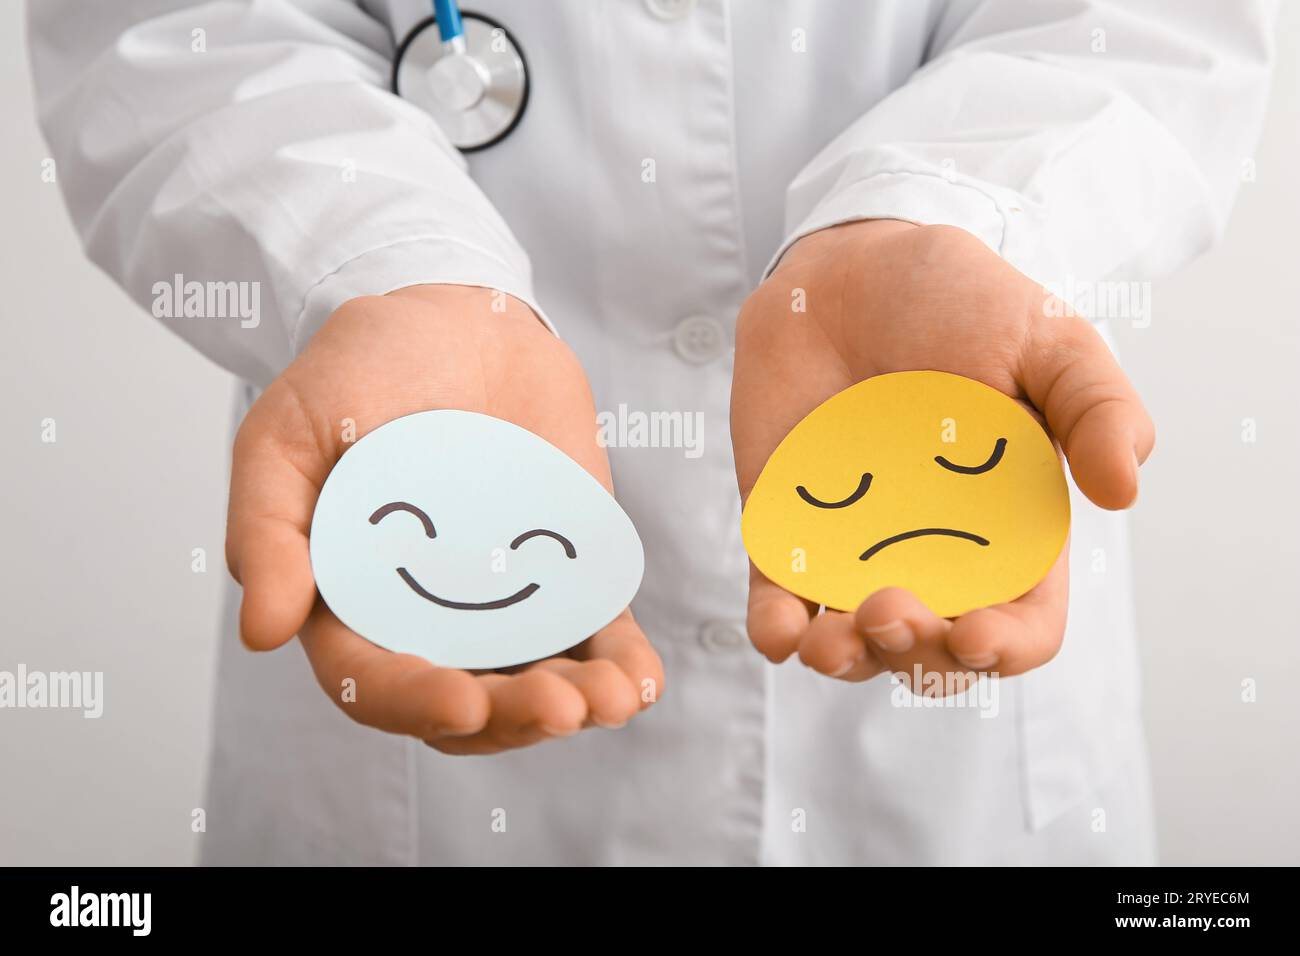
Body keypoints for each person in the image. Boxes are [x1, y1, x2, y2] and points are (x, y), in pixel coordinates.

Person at [27, 0, 1275, 865]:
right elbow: (170, 32)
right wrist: (385, 265)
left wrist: (935, 215)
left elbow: (1157, 25)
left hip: (941, 773)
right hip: (423, 799)